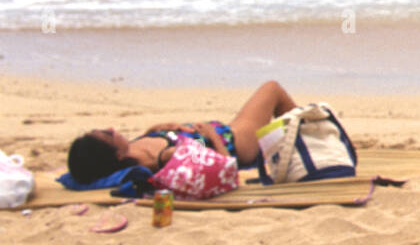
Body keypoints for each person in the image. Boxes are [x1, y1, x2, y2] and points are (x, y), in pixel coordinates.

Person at [66, 81, 299, 183]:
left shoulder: (131, 150)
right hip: (236, 142)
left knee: (273, 97)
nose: (111, 129)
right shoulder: (159, 160)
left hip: (222, 132)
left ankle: (311, 139)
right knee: (272, 89)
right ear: (115, 156)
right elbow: (227, 168)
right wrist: (212, 135)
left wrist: (156, 130)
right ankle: (318, 138)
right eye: (107, 135)